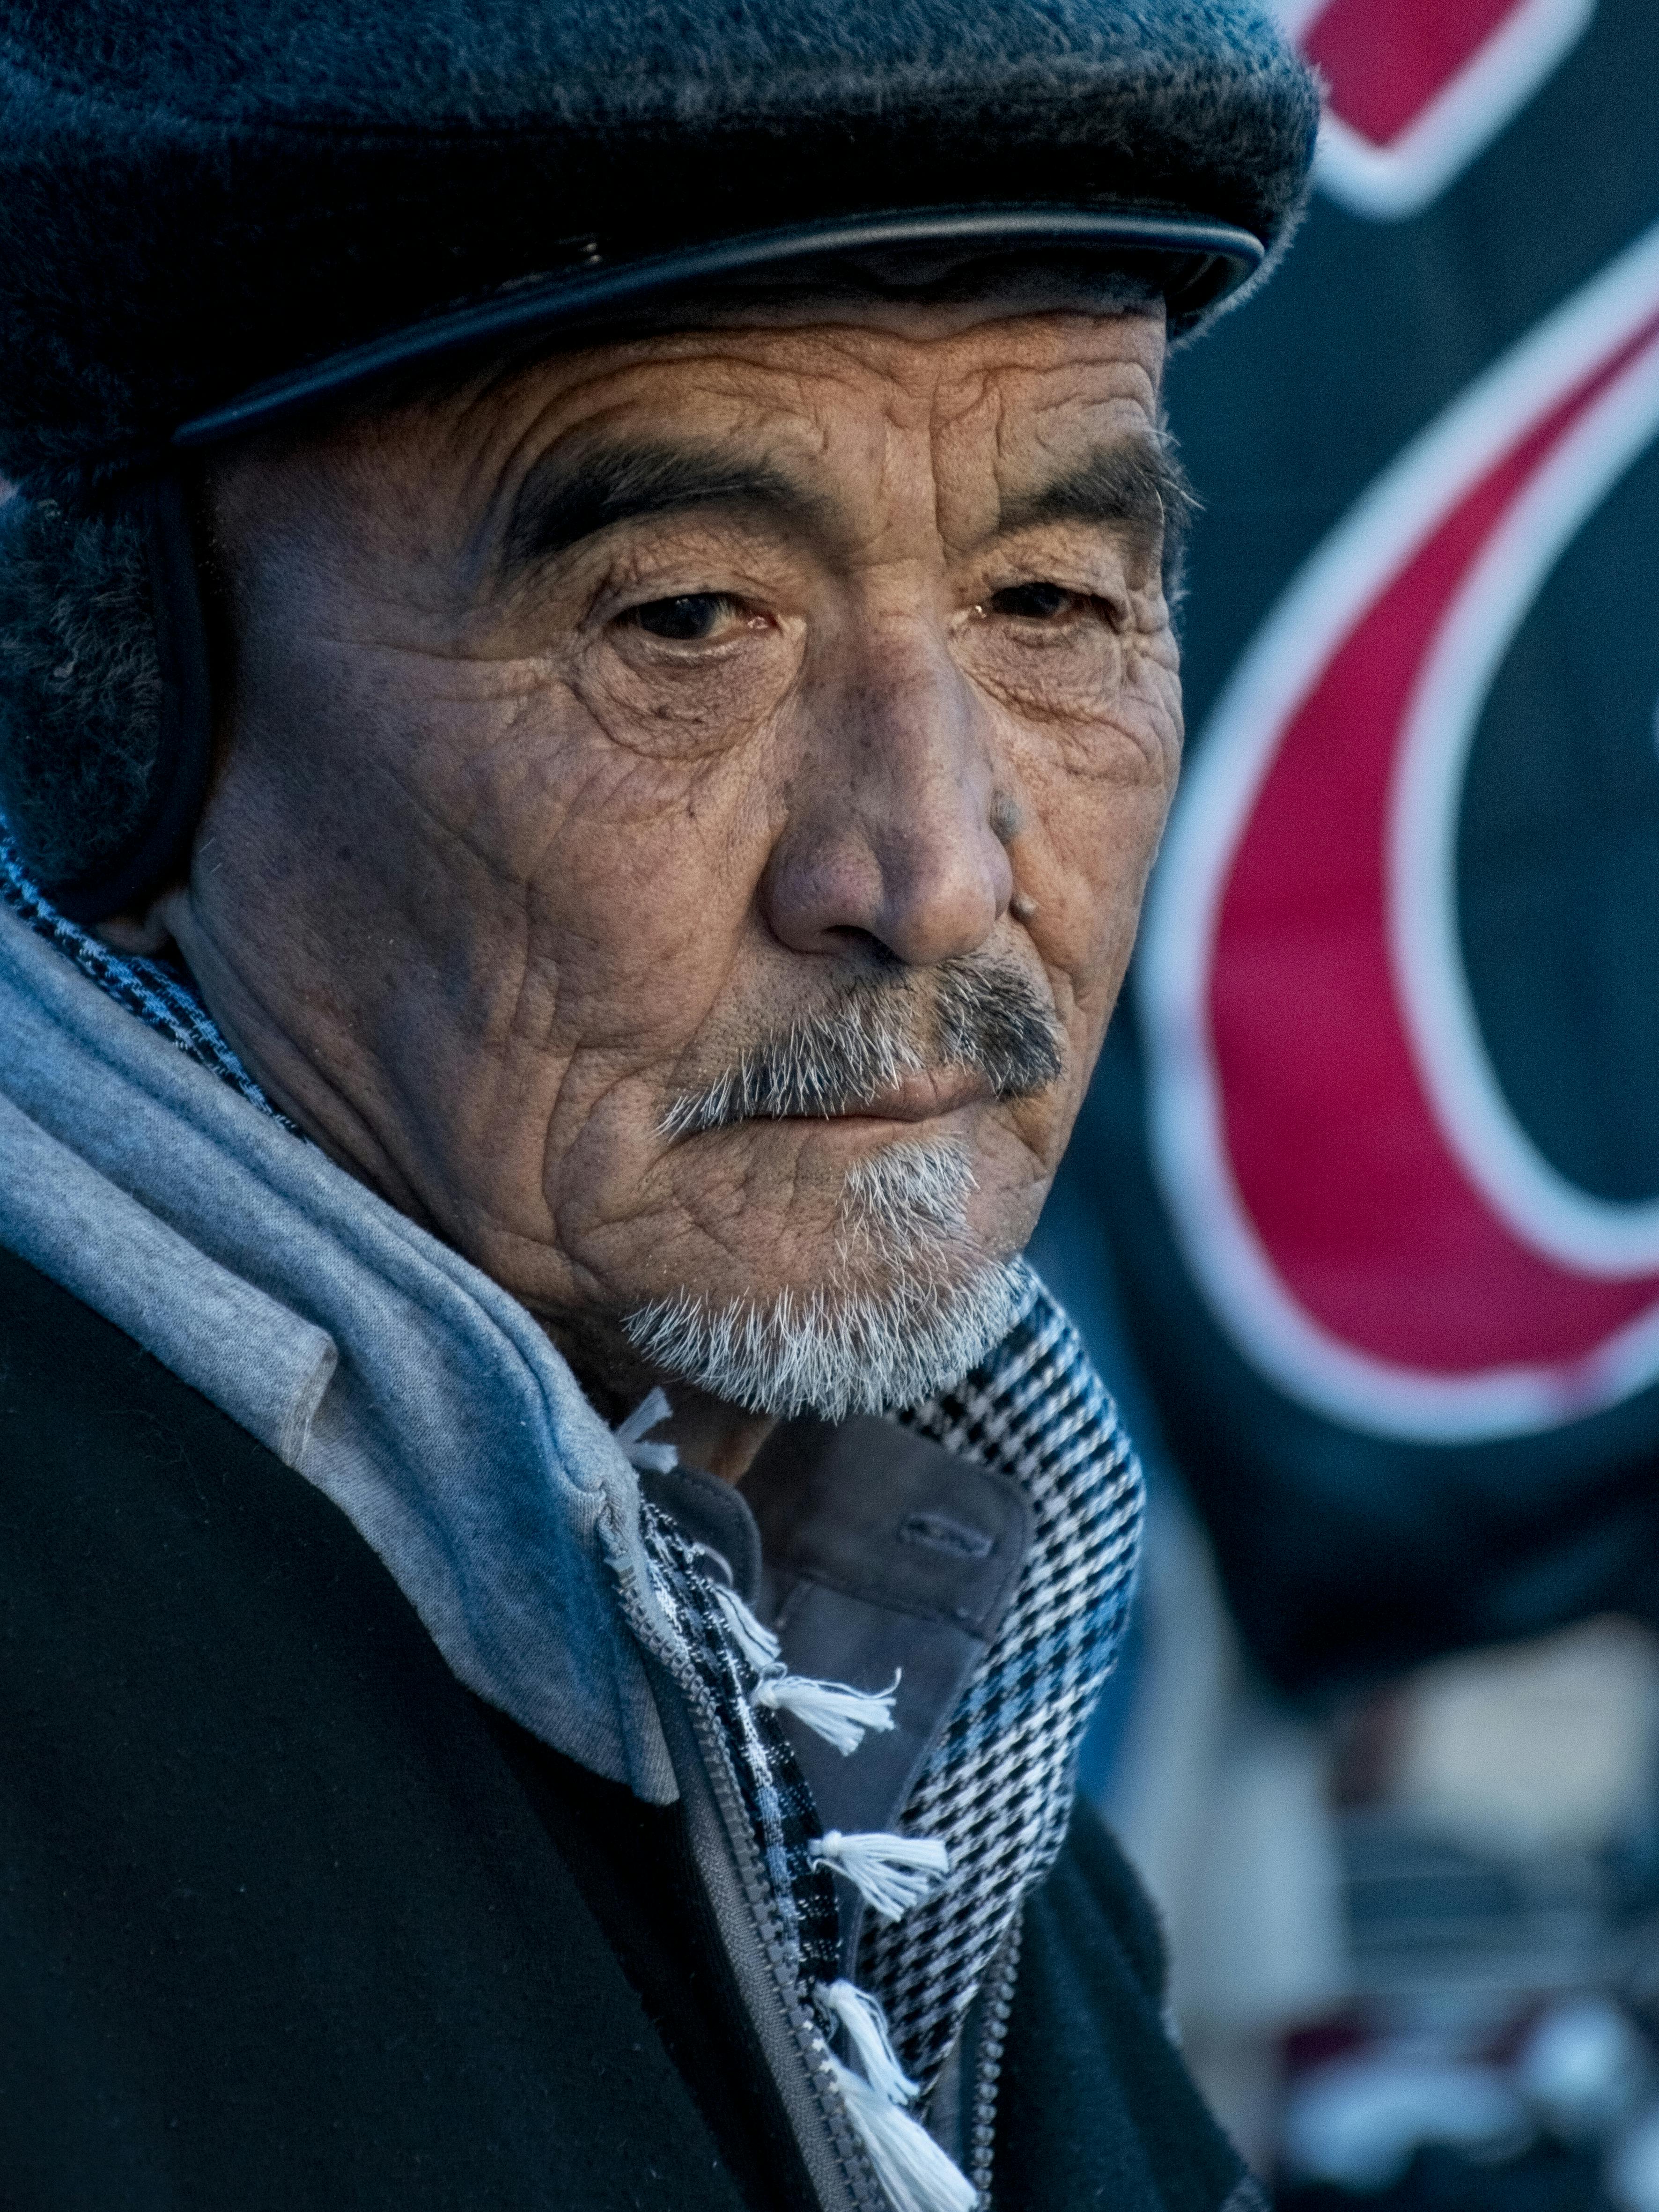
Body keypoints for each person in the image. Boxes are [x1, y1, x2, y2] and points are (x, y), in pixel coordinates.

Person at [0, 3, 1316, 2205]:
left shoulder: (885, 1634)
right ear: (104, 693)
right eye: (688, 618)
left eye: (1051, 601)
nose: (931, 872)